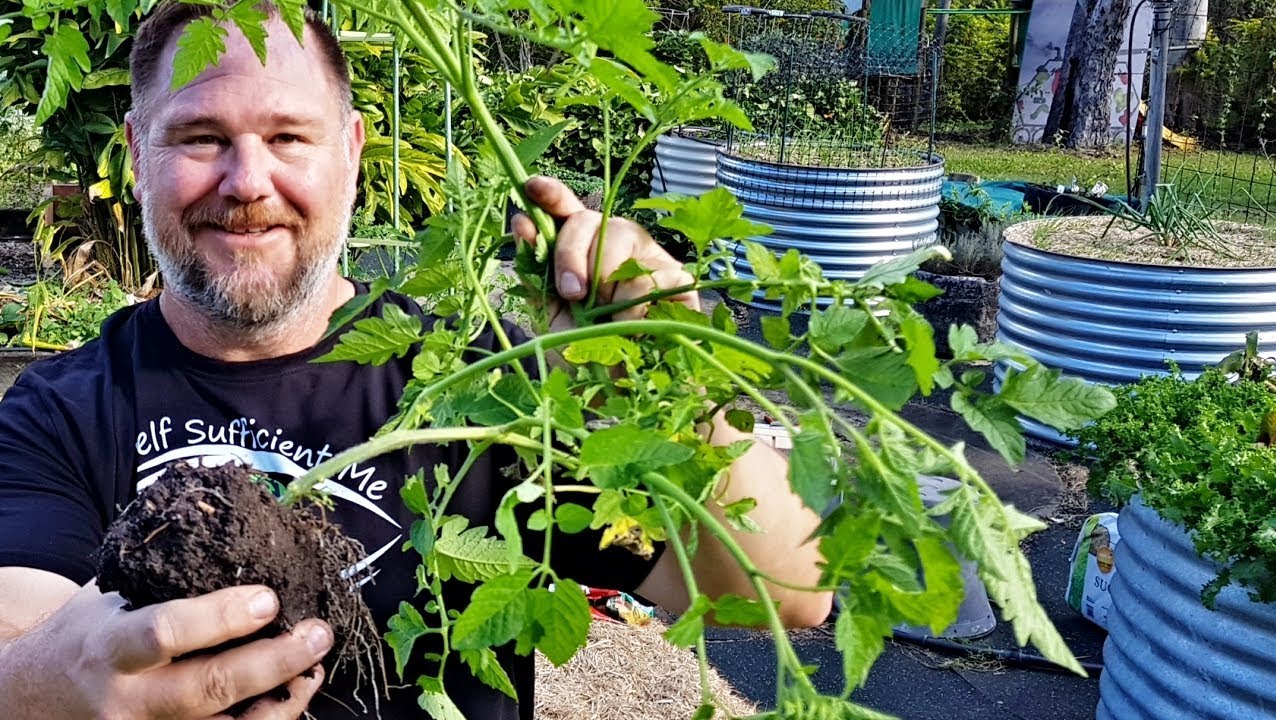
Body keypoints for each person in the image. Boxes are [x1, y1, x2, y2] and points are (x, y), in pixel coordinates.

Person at [0, 4, 831, 719]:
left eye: (289, 135)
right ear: (139, 151)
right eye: (201, 137)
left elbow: (789, 588)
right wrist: (52, 686)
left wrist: (669, 387)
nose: (247, 180)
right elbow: (18, 629)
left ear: (353, 152)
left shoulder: (488, 391)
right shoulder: (59, 413)